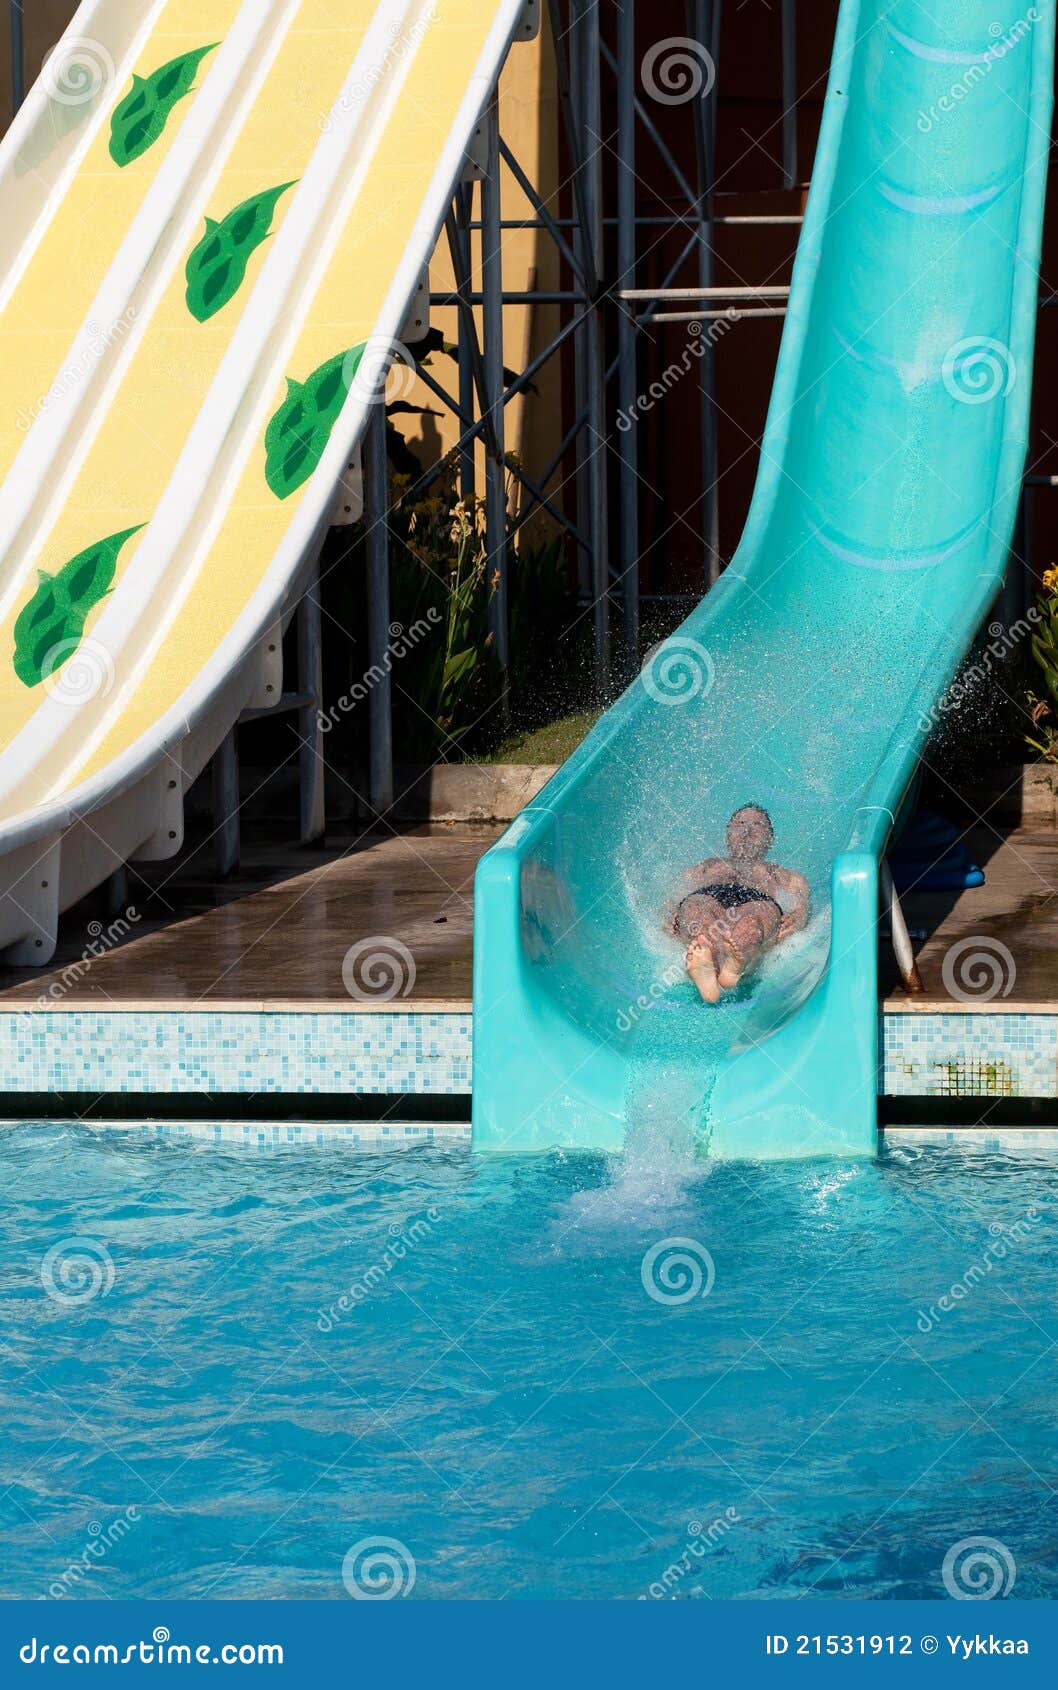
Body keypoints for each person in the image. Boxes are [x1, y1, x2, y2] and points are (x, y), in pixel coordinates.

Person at [665, 805, 810, 1004]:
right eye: (740, 823)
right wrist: (669, 913)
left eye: (758, 824)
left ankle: (733, 968)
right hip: (706, 895)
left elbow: (801, 904)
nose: (747, 829)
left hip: (758, 900)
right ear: (727, 836)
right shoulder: (705, 867)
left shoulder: (785, 875)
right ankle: (707, 967)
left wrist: (799, 915)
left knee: (751, 922)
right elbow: (673, 898)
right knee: (698, 911)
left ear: (770, 840)